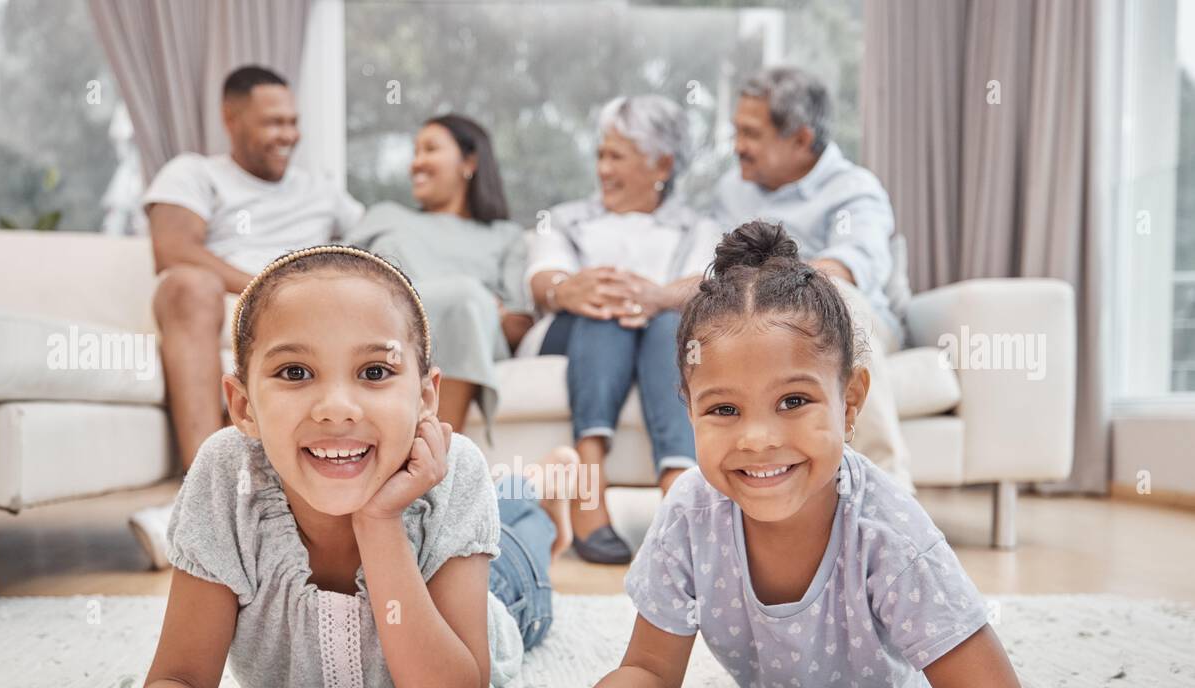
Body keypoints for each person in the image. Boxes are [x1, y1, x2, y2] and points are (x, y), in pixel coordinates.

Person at [508, 222, 1041, 688]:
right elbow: (647, 671)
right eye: (723, 410)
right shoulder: (692, 512)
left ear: (851, 400)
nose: (757, 439)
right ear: (688, 411)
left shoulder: (890, 536)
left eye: (793, 400)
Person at [104, 245, 576, 688]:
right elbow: (181, 679)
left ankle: (544, 506)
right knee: (511, 511)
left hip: (502, 597)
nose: (335, 408)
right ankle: (530, 495)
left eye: (374, 372)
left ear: (425, 399)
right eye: (295, 373)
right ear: (242, 406)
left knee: (525, 545)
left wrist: (377, 522)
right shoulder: (225, 478)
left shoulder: (458, 475)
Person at [129, 65, 364, 567]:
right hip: (228, 306)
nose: (289, 136)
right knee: (188, 285)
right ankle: (199, 498)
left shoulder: (321, 190)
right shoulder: (194, 172)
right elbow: (172, 250)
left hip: (314, 314)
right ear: (230, 119)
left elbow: (380, 244)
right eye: (274, 123)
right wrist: (267, 289)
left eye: (293, 122)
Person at [527, 95, 723, 564]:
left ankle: (678, 491)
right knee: (606, 310)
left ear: (662, 163)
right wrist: (570, 289)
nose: (602, 169)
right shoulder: (567, 218)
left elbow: (709, 284)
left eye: (616, 156)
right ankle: (587, 480)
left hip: (663, 334)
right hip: (572, 334)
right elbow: (541, 279)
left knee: (668, 323)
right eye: (600, 154)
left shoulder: (699, 227)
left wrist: (655, 297)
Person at [713, 67, 912, 487]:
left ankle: (888, 488)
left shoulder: (853, 190)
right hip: (757, 320)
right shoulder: (732, 190)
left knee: (834, 295)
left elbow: (850, 265)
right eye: (736, 132)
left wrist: (772, 285)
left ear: (801, 139)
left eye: (750, 134)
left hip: (857, 318)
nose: (738, 147)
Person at [345, 114, 532, 433]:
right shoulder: (386, 215)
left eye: (430, 149)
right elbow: (332, 272)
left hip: (471, 331)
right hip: (389, 324)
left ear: (469, 162)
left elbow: (519, 324)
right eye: (415, 152)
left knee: (466, 299)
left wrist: (491, 309)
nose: (416, 163)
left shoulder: (506, 235)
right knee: (460, 297)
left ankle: (438, 451)